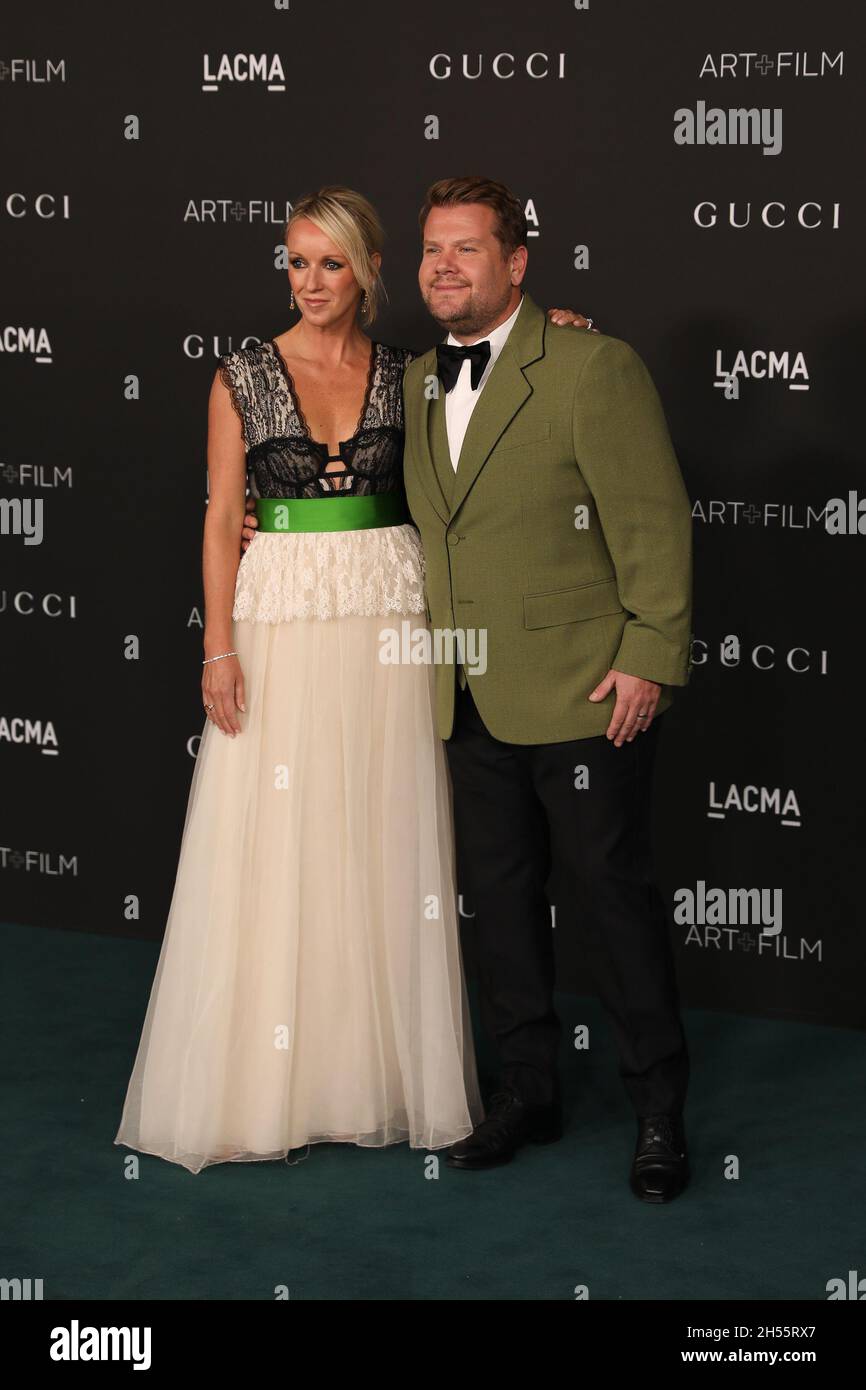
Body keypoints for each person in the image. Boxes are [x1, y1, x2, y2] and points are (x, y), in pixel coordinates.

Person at [115, 184, 591, 1174]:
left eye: (331, 262)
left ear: (369, 269)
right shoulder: (240, 374)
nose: (311, 281)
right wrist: (216, 647)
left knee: (381, 832)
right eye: (295, 261)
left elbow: (500, 391)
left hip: (389, 611)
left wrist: (566, 334)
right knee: (277, 837)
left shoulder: (410, 374)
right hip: (280, 612)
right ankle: (264, 1086)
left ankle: (371, 1077)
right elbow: (218, 518)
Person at [404, 177, 695, 1202]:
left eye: (466, 249)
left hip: (583, 691)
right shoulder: (408, 384)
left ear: (516, 262)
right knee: (499, 908)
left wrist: (652, 653)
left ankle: (658, 1106)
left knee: (611, 902)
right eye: (431, 249)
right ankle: (526, 1089)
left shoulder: (589, 365)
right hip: (463, 694)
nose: (443, 265)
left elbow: (652, 522)